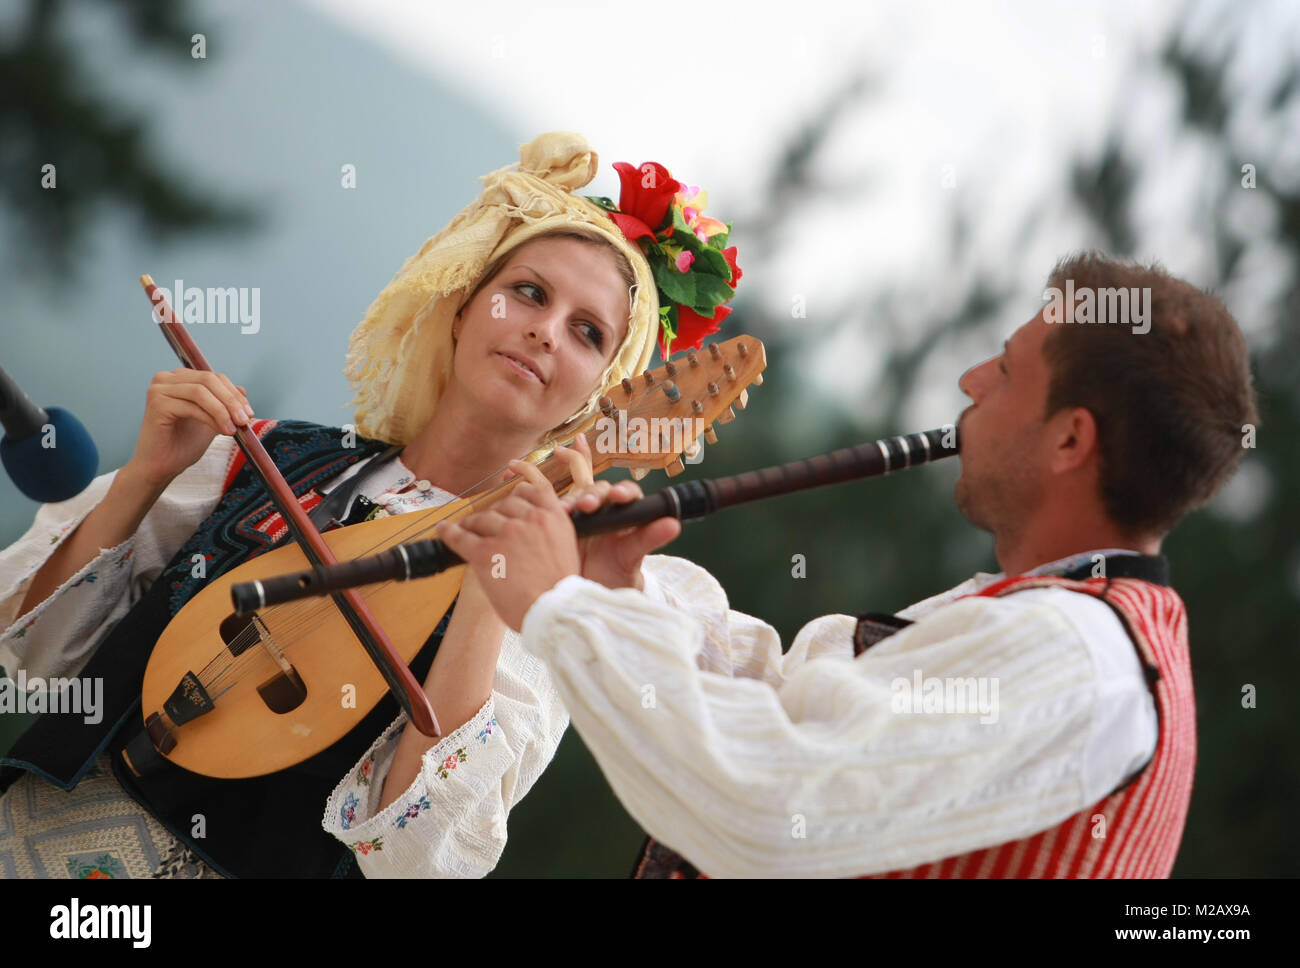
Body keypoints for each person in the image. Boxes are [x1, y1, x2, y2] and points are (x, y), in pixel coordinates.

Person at [0, 131, 741, 878]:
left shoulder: (535, 608)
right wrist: (147, 476)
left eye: (587, 333)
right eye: (528, 291)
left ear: (594, 401)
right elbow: (32, 661)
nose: (545, 331)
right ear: (462, 307)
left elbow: (416, 858)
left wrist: (490, 592)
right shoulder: (266, 454)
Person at [439, 253, 1259, 878]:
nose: (971, 380)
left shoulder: (1076, 658)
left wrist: (559, 604)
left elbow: (770, 805)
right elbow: (789, 717)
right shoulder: (1049, 614)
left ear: (1070, 440)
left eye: (1006, 371)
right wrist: (619, 587)